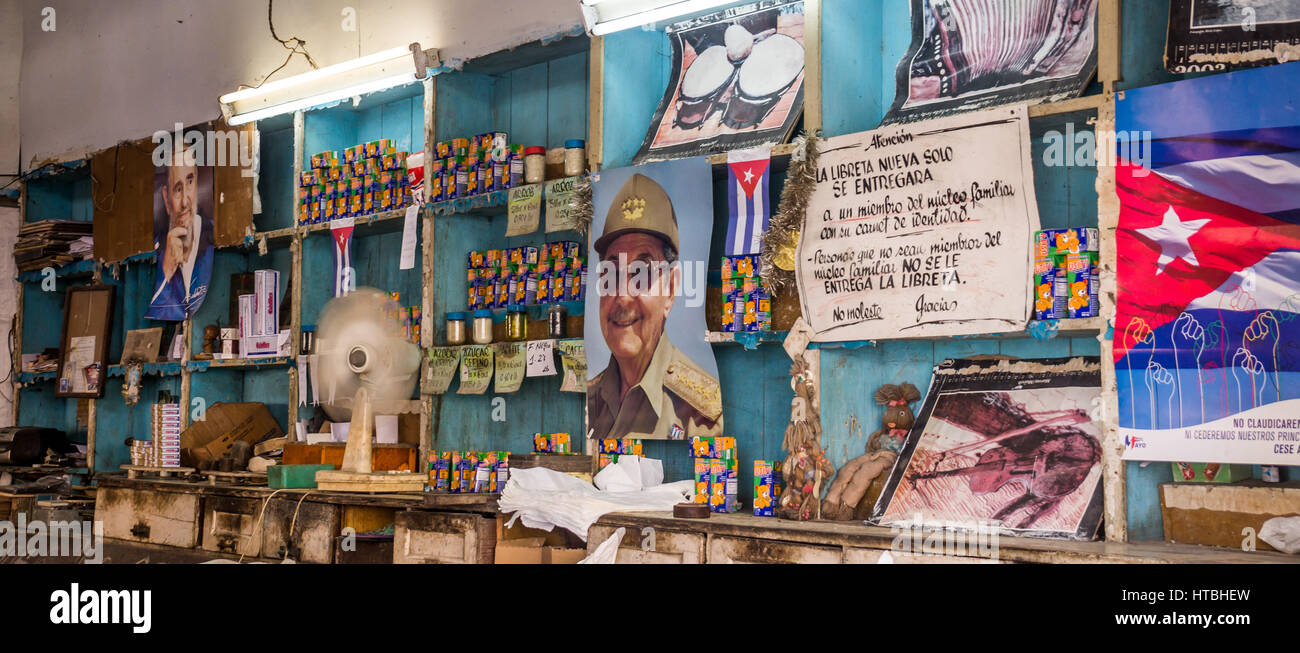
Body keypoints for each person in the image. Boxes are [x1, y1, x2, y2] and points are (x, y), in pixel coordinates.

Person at [587, 173, 722, 440]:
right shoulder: (589, 400)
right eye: (610, 274)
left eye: (641, 274)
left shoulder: (700, 417)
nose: (622, 295)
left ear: (670, 289)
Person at [147, 143, 213, 321]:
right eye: (177, 189)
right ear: (167, 200)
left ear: (199, 184)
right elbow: (157, 307)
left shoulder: (214, 234)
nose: (185, 201)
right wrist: (167, 270)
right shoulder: (157, 247)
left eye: (190, 182)